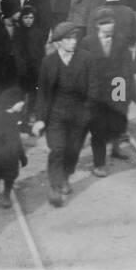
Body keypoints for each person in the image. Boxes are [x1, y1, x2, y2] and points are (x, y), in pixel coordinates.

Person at [33, 21, 95, 207]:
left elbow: (94, 88)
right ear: (58, 42)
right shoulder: (48, 62)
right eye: (68, 39)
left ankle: (66, 175)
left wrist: (89, 114)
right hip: (56, 114)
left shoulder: (86, 59)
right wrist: (39, 119)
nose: (73, 42)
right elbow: (42, 93)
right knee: (57, 149)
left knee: (72, 150)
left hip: (79, 114)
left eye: (74, 38)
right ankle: (55, 185)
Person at [83, 13, 136, 175]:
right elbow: (83, 67)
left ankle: (116, 148)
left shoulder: (121, 40)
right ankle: (99, 164)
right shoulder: (88, 42)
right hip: (97, 90)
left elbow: (128, 66)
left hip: (117, 86)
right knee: (98, 128)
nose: (108, 25)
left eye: (110, 22)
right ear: (97, 26)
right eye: (104, 22)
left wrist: (129, 93)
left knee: (118, 121)